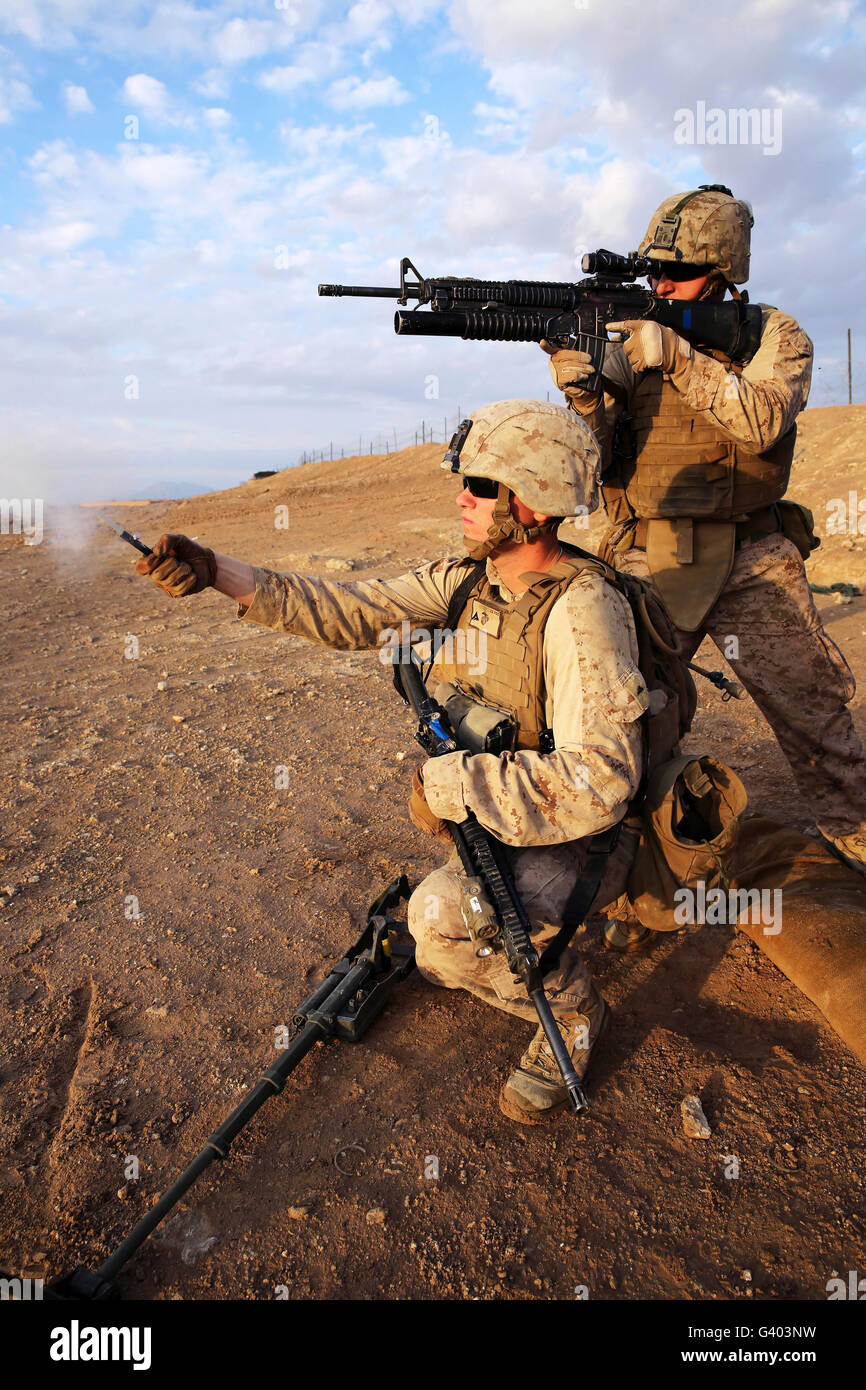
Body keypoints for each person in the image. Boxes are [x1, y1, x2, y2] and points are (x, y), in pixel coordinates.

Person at [135, 399, 677, 1123]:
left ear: (535, 503)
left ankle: (576, 1012)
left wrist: (453, 782)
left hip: (587, 840)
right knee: (443, 930)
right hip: (511, 816)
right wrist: (214, 571)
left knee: (439, 931)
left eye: (483, 485)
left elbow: (600, 785)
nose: (463, 496)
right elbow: (350, 606)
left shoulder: (583, 612)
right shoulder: (469, 581)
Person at [544, 184, 866, 881]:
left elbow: (761, 422)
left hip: (751, 553)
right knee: (623, 716)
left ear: (724, 273)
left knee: (817, 719)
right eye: (651, 272)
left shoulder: (775, 335)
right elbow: (592, 465)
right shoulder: (630, 339)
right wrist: (582, 393)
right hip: (649, 554)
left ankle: (857, 836)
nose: (658, 285)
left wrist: (678, 356)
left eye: (676, 273)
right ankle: (621, 873)